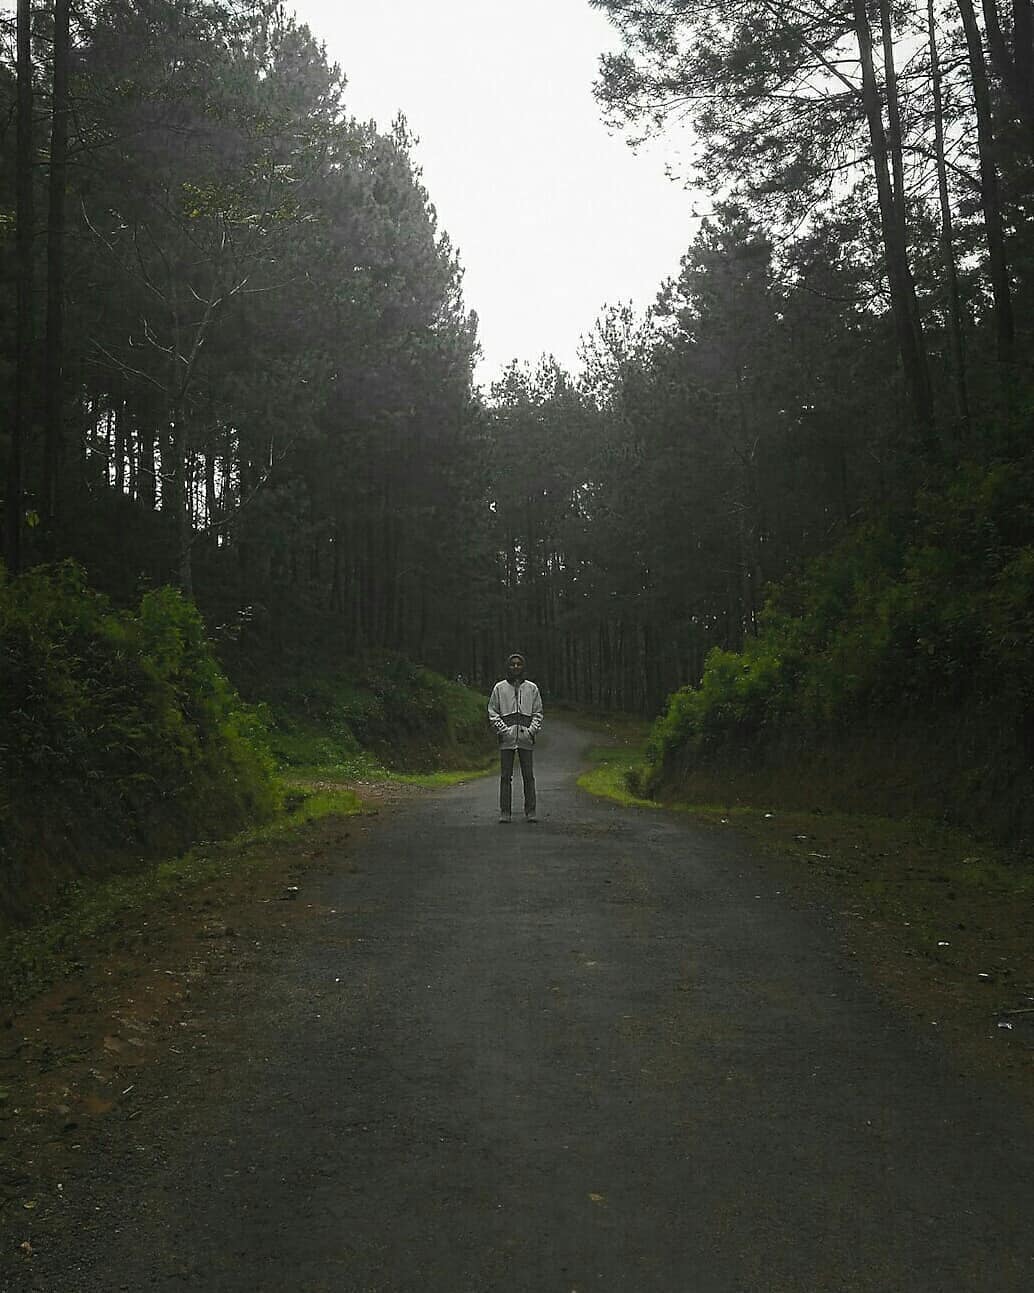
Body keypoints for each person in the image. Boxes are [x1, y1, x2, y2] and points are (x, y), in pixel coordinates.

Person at [487, 652, 543, 823]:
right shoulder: (499, 688)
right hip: (507, 740)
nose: (516, 667)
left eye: (519, 664)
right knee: (505, 777)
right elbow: (493, 712)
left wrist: (531, 731)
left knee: (528, 776)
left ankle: (531, 812)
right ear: (508, 667)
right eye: (513, 664)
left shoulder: (532, 688)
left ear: (523, 667)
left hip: (526, 739)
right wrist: (504, 731)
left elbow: (538, 712)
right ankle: (505, 812)